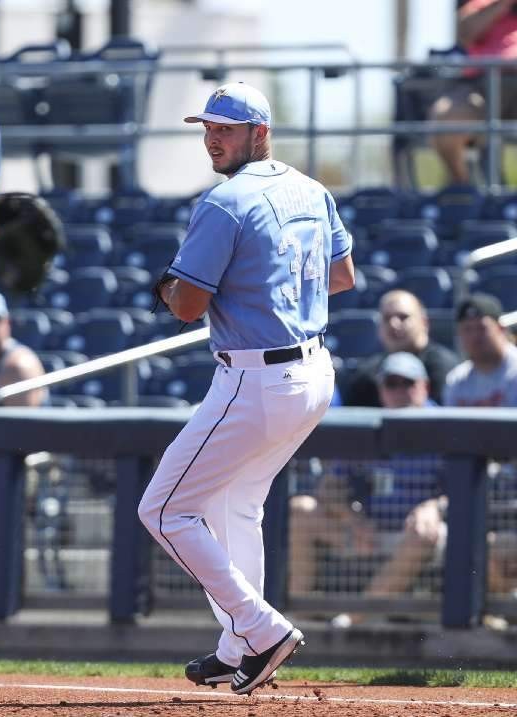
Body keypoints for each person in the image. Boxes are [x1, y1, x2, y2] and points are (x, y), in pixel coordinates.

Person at [137, 81, 355, 695]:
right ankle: (238, 646)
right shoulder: (311, 189)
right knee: (236, 505)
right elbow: (342, 276)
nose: (213, 139)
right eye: (207, 128)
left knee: (163, 510)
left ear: (260, 133)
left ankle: (261, 628)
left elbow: (186, 307)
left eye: (226, 129)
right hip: (313, 372)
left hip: (257, 378)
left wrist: (167, 289)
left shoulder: (225, 202)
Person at [289, 353, 445, 627]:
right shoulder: (373, 425)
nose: (399, 391)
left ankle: (354, 619)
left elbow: (466, 491)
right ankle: (299, 616)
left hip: (418, 536)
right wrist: (353, 520)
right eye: (391, 384)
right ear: (381, 390)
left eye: (407, 383)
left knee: (426, 532)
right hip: (370, 532)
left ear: (425, 387)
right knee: (301, 510)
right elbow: (330, 486)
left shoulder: (445, 426)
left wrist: (433, 507)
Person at [428, 0, 517, 184]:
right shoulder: (483, 4)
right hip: (481, 89)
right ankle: (462, 187)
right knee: (446, 119)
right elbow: (465, 33)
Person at [344, 290, 459, 407]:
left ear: (424, 323)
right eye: (387, 318)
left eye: (403, 317)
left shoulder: (448, 372)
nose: (393, 324)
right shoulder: (365, 377)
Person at [444, 292, 517, 406]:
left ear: (500, 329)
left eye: (482, 328)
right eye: (467, 329)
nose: (475, 336)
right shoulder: (456, 380)